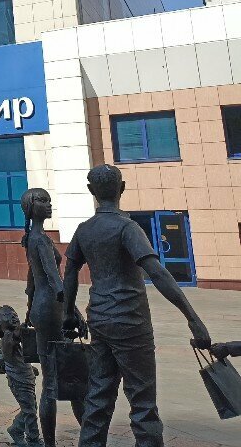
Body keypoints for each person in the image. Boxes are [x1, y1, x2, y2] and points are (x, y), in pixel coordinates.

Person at [62, 164, 211, 447]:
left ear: (91, 191)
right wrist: (192, 317)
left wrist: (68, 312)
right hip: (131, 322)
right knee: (142, 401)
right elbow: (157, 273)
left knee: (97, 397)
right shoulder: (127, 228)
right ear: (122, 188)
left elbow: (69, 274)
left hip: (100, 320)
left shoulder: (84, 230)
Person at [21, 188, 85, 446]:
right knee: (63, 376)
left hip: (43, 308)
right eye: (43, 200)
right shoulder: (39, 240)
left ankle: (61, 439)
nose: (49, 204)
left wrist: (29, 309)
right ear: (30, 206)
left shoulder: (33, 238)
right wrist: (72, 310)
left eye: (49, 200)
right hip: (51, 309)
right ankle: (81, 436)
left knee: (57, 375)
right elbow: (54, 280)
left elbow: (31, 281)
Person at [0, 305, 43, 447]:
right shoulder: (7, 338)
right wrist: (27, 321)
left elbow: (19, 359)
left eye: (14, 314)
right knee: (30, 411)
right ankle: (33, 440)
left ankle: (16, 429)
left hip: (27, 378)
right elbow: (16, 337)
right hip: (18, 380)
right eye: (7, 315)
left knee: (30, 409)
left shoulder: (14, 338)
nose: (13, 316)